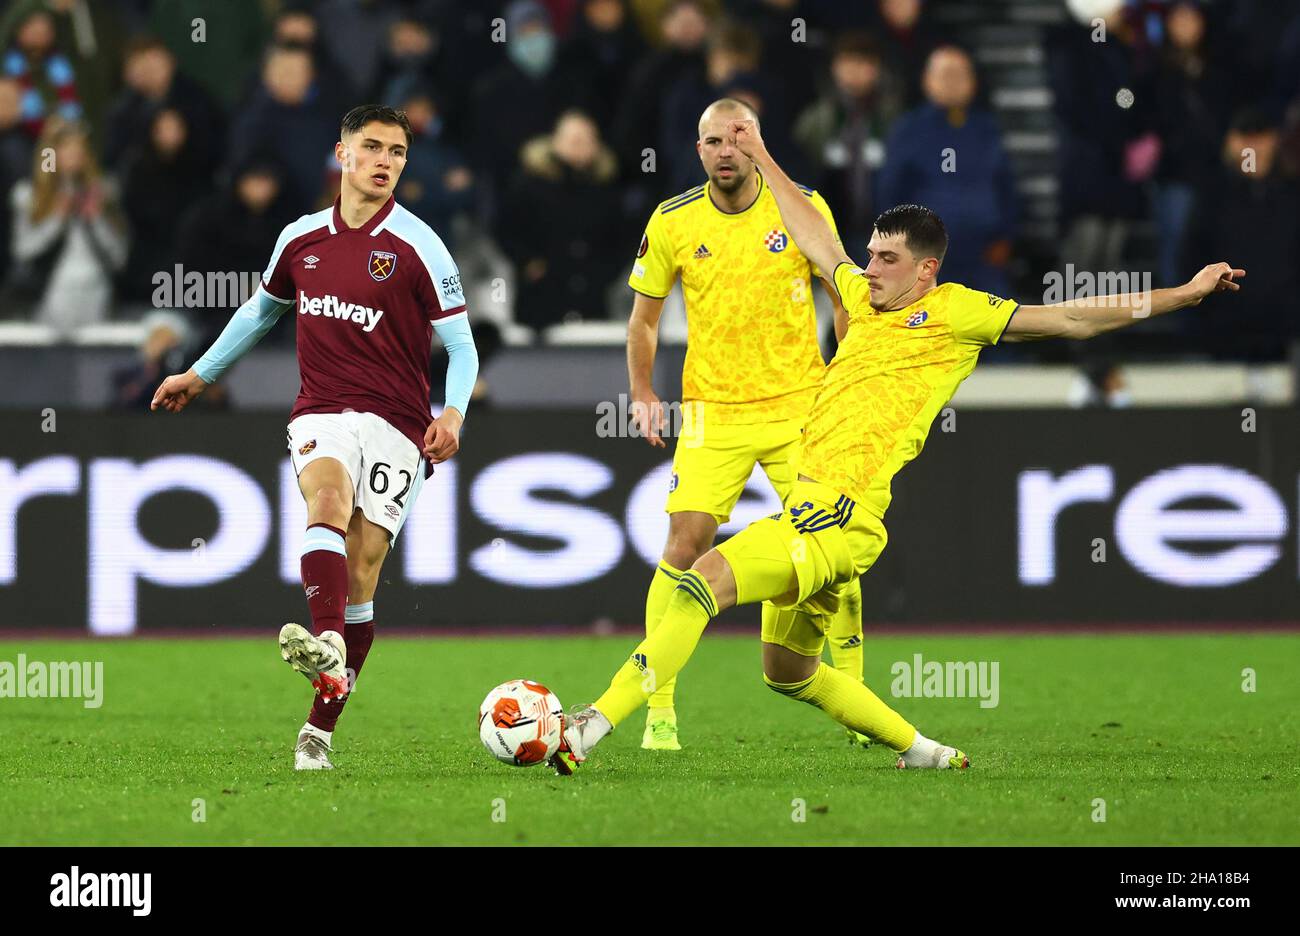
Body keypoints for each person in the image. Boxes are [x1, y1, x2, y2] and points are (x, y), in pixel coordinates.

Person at [551, 117, 1245, 774]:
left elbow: (1070, 317)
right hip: (826, 519)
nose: (869, 268)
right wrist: (762, 155)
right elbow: (818, 242)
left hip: (838, 515)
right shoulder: (858, 296)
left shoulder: (957, 316)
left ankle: (594, 723)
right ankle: (923, 750)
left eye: (886, 259)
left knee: (702, 580)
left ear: (926, 271)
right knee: (785, 674)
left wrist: (1183, 294)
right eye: (872, 254)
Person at [150, 104, 480, 771]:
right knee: (324, 503)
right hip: (322, 409)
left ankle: (318, 733)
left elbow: (462, 345)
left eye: (398, 152)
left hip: (398, 422)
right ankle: (325, 637)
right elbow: (259, 313)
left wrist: (452, 413)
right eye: (374, 147)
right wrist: (200, 373)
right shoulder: (301, 239)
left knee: (362, 573)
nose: (386, 161)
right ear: (342, 153)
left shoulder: (421, 245)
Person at [624, 98, 864, 752]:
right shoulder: (673, 220)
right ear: (698, 150)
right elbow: (644, 320)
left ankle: (857, 692)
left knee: (833, 548)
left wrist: (849, 376)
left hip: (800, 405)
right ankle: (660, 706)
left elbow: (843, 295)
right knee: (685, 544)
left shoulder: (800, 205)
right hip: (713, 411)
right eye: (712, 141)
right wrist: (642, 390)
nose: (725, 151)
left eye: (737, 138)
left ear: (757, 142)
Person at [6, 117, 127, 332]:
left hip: (97, 291)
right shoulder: (30, 195)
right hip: (50, 295)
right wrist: (57, 219)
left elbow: (119, 257)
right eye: (66, 148)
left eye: (79, 148)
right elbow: (22, 251)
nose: (74, 154)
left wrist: (96, 219)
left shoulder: (104, 192)